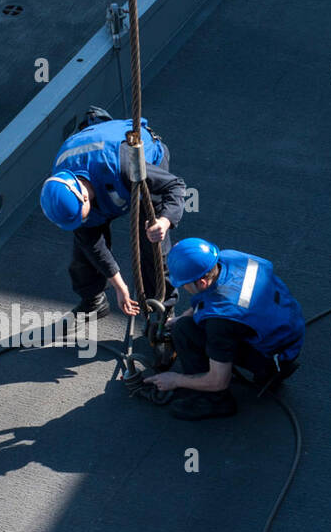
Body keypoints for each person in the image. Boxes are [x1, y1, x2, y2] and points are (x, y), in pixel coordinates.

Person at [38, 109, 187, 319]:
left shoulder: (123, 166)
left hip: (137, 167)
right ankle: (93, 300)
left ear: (84, 197)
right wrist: (120, 287)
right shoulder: (63, 186)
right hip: (101, 167)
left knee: (153, 245)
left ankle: (163, 313)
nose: (82, 222)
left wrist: (164, 221)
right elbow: (93, 244)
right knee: (84, 247)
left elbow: (175, 186)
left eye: (81, 216)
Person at [142, 238, 304, 420]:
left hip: (275, 356)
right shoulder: (228, 257)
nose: (183, 287)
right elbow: (211, 298)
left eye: (184, 284)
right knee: (184, 323)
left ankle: (215, 401)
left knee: (184, 331)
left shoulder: (221, 322)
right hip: (287, 325)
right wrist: (181, 317)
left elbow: (218, 381)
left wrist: (175, 380)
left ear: (202, 282)